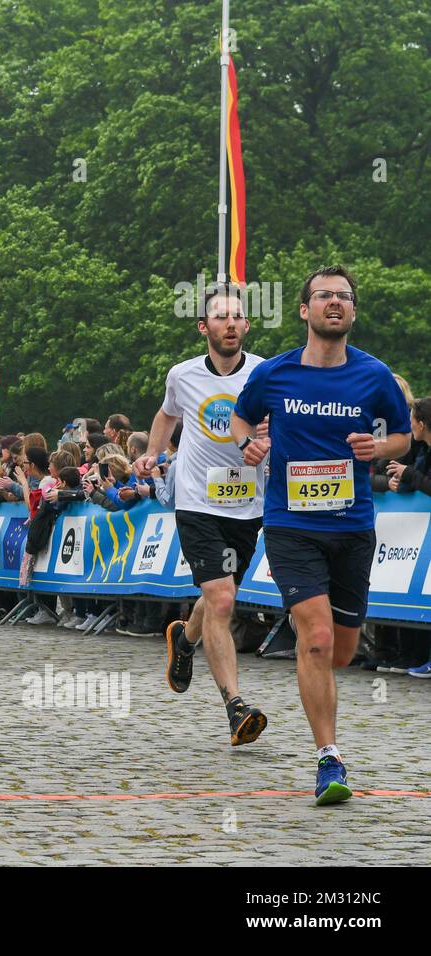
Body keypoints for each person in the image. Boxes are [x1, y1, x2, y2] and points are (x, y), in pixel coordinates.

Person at [231, 266, 410, 805]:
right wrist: (250, 445)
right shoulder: (276, 374)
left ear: (353, 312)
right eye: (324, 296)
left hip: (353, 527)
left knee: (341, 648)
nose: (335, 303)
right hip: (290, 525)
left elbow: (402, 437)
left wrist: (376, 450)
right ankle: (328, 758)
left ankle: (316, 681)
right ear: (304, 310)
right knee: (316, 637)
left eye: (344, 297)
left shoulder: (375, 375)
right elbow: (242, 420)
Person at [135, 285, 270, 747]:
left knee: (220, 597)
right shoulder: (183, 375)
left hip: (247, 504)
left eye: (238, 316)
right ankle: (235, 706)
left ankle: (185, 638)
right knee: (223, 600)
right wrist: (152, 455)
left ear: (247, 325)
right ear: (203, 326)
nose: (230, 323)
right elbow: (165, 415)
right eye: (220, 316)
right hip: (196, 501)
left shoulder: (265, 374)